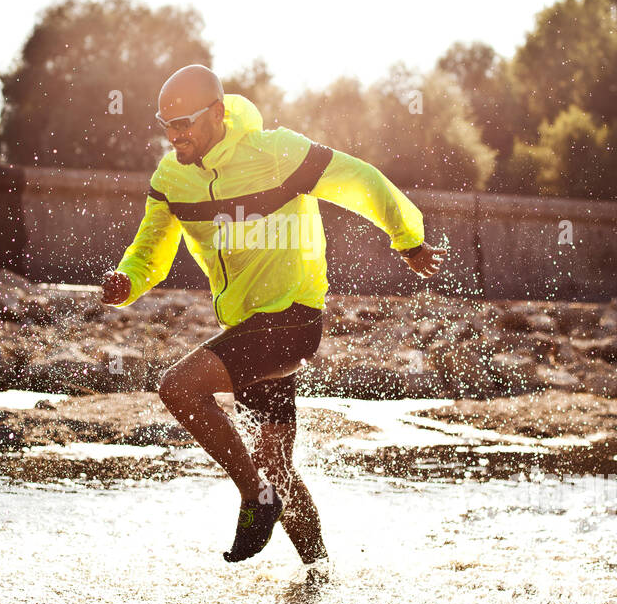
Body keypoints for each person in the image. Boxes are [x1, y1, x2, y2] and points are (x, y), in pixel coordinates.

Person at [100, 64, 444, 564]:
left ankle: (254, 498)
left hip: (294, 317)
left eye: (186, 123)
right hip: (246, 329)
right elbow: (151, 248)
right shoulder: (171, 178)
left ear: (217, 113)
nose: (176, 135)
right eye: (167, 125)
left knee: (178, 387)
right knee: (276, 464)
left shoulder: (277, 153)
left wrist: (407, 238)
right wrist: (128, 280)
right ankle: (319, 574)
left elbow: (360, 179)